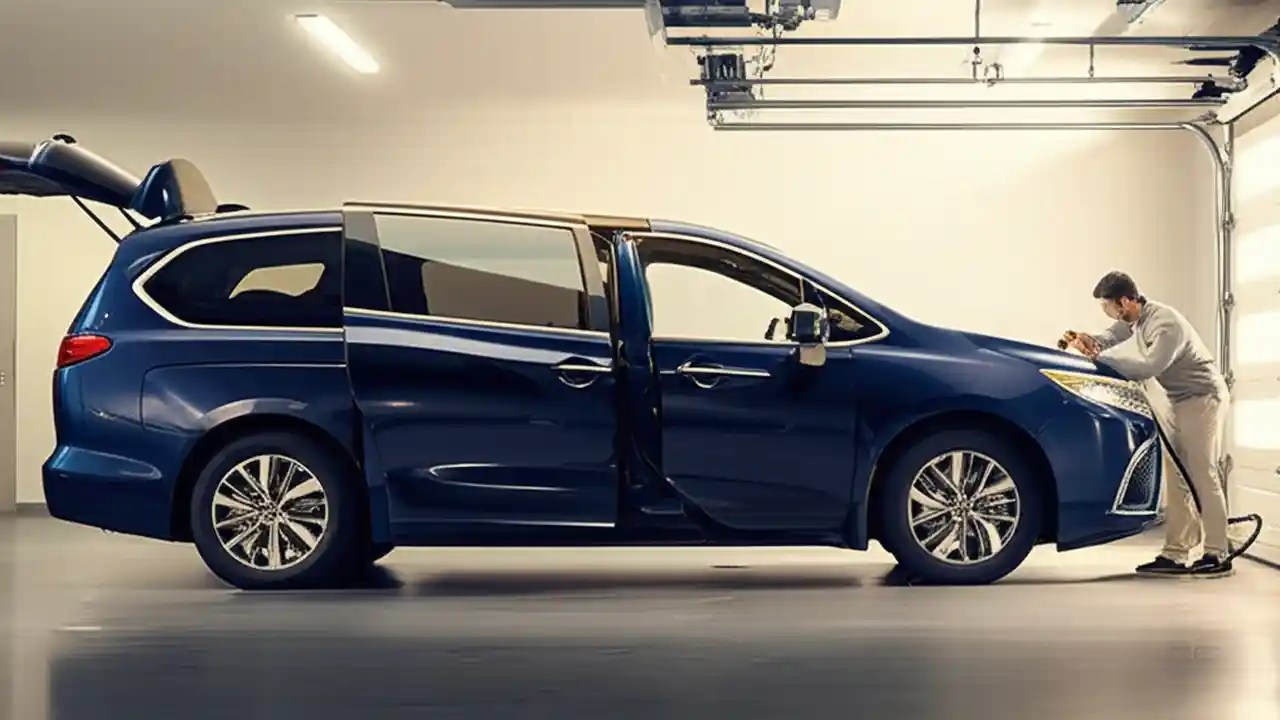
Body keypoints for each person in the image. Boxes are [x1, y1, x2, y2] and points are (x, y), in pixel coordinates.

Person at [1062, 271, 1233, 578]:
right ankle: (1177, 553)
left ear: (1125, 301)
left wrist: (1102, 361)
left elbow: (1152, 365)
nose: (1107, 312)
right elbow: (1109, 338)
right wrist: (1089, 341)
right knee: (1177, 472)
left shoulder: (1165, 322)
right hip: (1177, 399)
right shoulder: (1134, 320)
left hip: (1204, 396)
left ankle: (1218, 552)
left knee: (1202, 471)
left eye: (1108, 307)